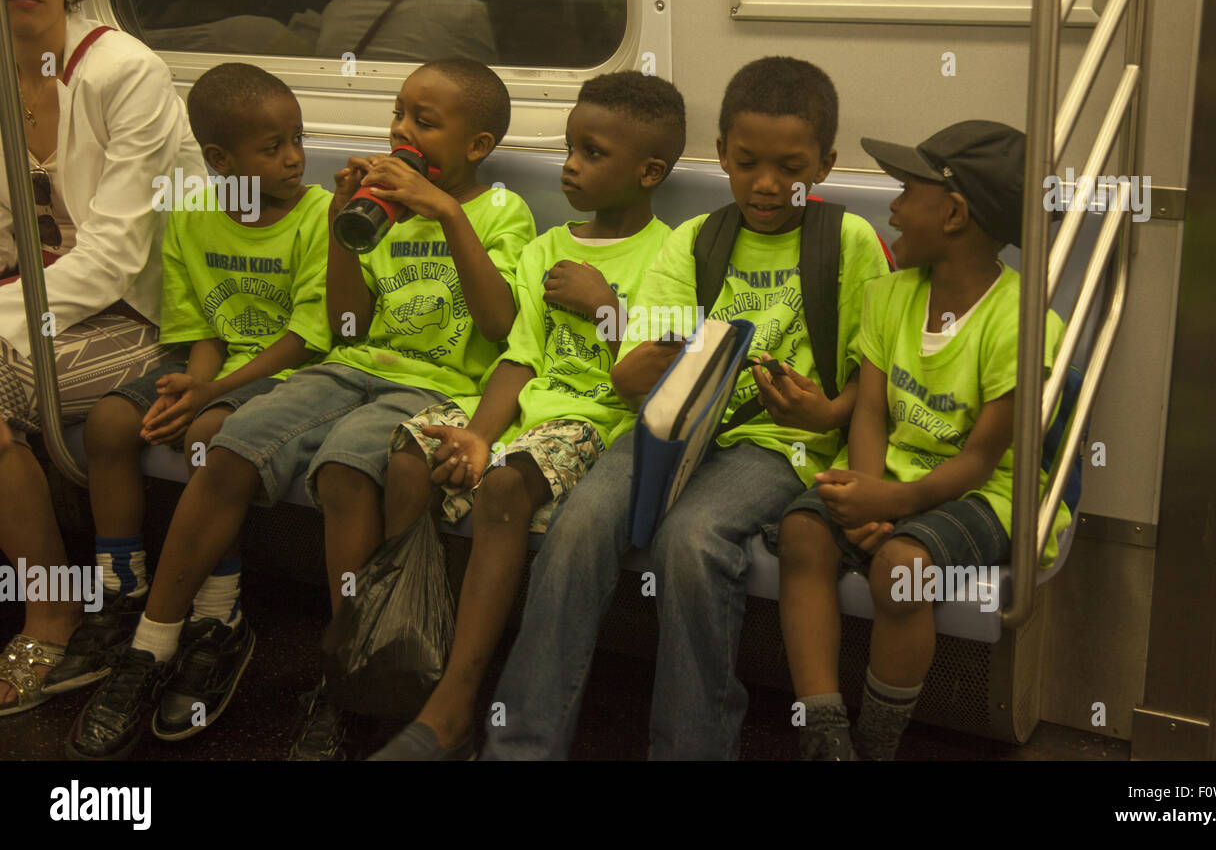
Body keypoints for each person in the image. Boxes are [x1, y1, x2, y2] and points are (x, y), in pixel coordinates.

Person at [65, 58, 536, 760]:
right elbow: (347, 326)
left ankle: (345, 680)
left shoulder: (501, 210)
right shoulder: (379, 212)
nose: (401, 130)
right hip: (352, 367)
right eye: (399, 114)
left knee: (346, 470)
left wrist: (444, 213)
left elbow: (500, 327)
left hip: (438, 386)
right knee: (229, 448)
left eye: (424, 121)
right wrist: (351, 227)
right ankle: (151, 645)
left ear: (478, 146)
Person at [481, 57, 892, 760]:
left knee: (692, 540)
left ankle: (692, 746)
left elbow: (873, 382)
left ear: (823, 166)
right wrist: (648, 361)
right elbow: (636, 379)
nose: (766, 184)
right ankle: (520, 744)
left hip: (778, 443)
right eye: (746, 161)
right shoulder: (694, 242)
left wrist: (822, 415)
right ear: (723, 155)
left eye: (789, 166)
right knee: (577, 528)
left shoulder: (848, 244)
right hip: (677, 430)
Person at [371, 71, 686, 760]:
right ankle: (406, 654)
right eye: (570, 147)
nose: (570, 165)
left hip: (598, 423)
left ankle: (456, 699)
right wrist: (478, 434)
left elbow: (664, 370)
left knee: (506, 484)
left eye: (593, 154)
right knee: (407, 450)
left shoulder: (673, 253)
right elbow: (518, 359)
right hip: (526, 417)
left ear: (648, 171)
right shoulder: (548, 246)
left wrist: (606, 306)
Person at [777, 121, 1072, 760]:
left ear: (955, 213)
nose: (894, 208)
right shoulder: (887, 296)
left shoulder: (1022, 323)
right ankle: (824, 731)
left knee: (903, 569)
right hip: (891, 476)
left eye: (909, 193)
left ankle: (878, 740)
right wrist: (864, 492)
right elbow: (871, 416)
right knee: (802, 534)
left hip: (984, 491)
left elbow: (981, 458)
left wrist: (892, 505)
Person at [41, 63, 333, 697]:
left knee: (205, 432)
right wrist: (192, 384)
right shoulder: (194, 213)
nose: (293, 159)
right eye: (272, 148)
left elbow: (307, 337)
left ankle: (216, 613)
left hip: (288, 370)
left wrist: (211, 395)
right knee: (113, 422)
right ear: (219, 159)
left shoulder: (321, 217)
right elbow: (205, 326)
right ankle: (123, 589)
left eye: (298, 139)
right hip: (218, 367)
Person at [0, 0, 205, 716]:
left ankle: (51, 610)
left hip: (149, 318)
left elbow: (116, 255)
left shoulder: (126, 72)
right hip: (40, 300)